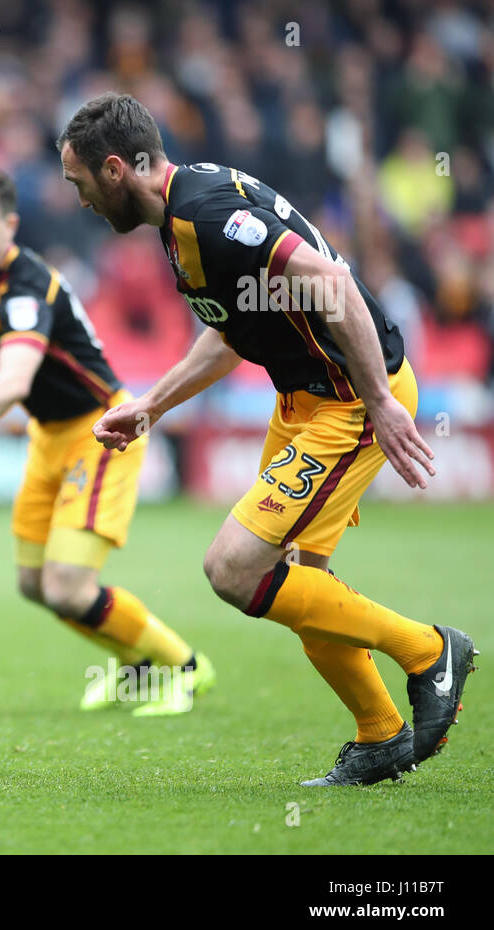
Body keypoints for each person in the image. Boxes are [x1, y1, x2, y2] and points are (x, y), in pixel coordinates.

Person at [57, 92, 476, 785]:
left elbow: (332, 282)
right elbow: (230, 332)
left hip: (348, 398)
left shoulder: (207, 217)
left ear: (112, 170)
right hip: (307, 398)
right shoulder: (183, 211)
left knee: (234, 569)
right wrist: (152, 406)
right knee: (296, 584)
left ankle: (430, 651)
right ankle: (379, 733)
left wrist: (377, 400)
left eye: (79, 185)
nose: (80, 203)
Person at [0, 167, 214, 715]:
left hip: (101, 431)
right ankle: (135, 666)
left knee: (67, 585)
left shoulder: (24, 286)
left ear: (9, 225)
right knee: (34, 582)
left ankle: (184, 665)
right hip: (49, 435)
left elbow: (15, 380)